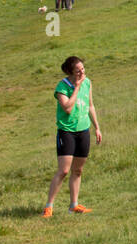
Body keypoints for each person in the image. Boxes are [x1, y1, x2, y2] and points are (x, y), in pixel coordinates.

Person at [43, 55, 103, 217]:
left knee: (78, 170)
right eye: (78, 71)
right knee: (63, 171)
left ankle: (73, 206)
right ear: (70, 72)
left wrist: (97, 128)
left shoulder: (88, 82)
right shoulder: (62, 87)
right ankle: (49, 207)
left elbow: (90, 106)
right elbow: (68, 108)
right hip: (67, 131)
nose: (82, 73)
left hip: (83, 130)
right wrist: (76, 87)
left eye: (83, 69)